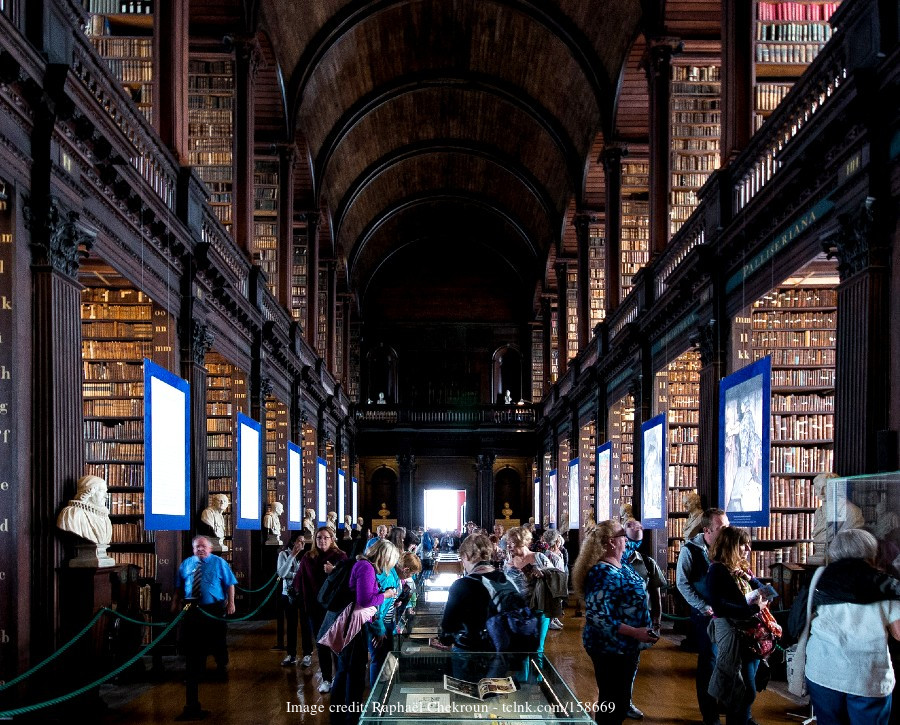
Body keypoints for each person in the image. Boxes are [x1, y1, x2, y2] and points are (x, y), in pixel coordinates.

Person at [805, 529, 900, 724]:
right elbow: (899, 633)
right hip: (867, 674)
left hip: (823, 669)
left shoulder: (819, 578)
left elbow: (800, 619)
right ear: (871, 551)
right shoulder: (887, 585)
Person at [572, 520, 657, 724]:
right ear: (611, 542)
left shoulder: (621, 561)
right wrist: (636, 633)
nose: (626, 540)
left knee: (620, 699)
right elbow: (599, 617)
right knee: (612, 702)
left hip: (626, 647)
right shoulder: (602, 573)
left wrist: (635, 528)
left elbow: (634, 541)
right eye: (622, 536)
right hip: (610, 649)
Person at [705, 526, 769, 725]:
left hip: (750, 634)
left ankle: (743, 718)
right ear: (731, 545)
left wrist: (749, 578)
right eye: (743, 545)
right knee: (741, 689)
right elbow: (719, 606)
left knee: (747, 687)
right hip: (734, 632)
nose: (748, 549)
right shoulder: (717, 570)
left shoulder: (740, 569)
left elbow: (762, 588)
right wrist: (752, 609)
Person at [329, 540, 398, 725]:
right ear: (384, 557)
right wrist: (386, 595)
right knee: (351, 673)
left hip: (353, 625)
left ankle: (344, 715)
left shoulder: (363, 565)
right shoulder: (366, 568)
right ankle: (349, 716)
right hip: (352, 628)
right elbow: (366, 600)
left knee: (347, 671)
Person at [172, 535, 237, 720]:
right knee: (192, 645)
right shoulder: (186, 564)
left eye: (203, 546)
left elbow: (230, 583)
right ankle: (195, 672)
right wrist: (175, 604)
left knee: (217, 639)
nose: (200, 549)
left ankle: (220, 666)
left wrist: (231, 603)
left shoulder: (219, 563)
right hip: (191, 608)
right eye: (196, 547)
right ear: (193, 548)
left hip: (213, 608)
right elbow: (179, 586)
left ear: (210, 548)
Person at [676, 507, 730, 725]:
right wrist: (701, 606)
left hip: (727, 613)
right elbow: (682, 582)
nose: (727, 531)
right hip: (705, 615)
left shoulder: (726, 547)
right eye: (722, 527)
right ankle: (710, 714)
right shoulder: (690, 550)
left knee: (729, 661)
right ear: (707, 529)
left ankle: (730, 706)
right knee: (709, 662)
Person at [622, 519, 666, 720]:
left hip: (640, 622)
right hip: (616, 623)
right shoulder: (610, 562)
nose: (633, 545)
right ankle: (611, 704)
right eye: (630, 538)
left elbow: (656, 595)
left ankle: (626, 702)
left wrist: (657, 622)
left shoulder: (647, 562)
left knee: (631, 664)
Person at [295, 526, 347, 690]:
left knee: (337, 643)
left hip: (334, 607)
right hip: (315, 607)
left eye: (326, 537)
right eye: (319, 538)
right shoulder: (308, 557)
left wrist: (335, 570)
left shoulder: (340, 556)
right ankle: (326, 679)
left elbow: (348, 579)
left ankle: (340, 677)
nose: (322, 541)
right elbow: (300, 579)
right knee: (322, 643)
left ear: (332, 539)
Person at [440, 534, 510, 651]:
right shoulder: (507, 580)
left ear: (466, 556)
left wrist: (445, 640)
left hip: (470, 651)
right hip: (501, 651)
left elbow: (448, 627)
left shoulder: (462, 585)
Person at [56, 474, 113, 548]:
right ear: (90, 492)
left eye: (106, 492)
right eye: (102, 491)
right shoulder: (72, 513)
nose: (106, 496)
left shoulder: (105, 518)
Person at [276, 534, 307, 665]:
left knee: (306, 625)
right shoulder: (283, 554)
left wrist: (293, 575)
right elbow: (282, 573)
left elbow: (306, 574)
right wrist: (292, 556)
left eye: (304, 542)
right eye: (299, 541)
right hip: (288, 594)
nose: (302, 544)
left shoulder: (306, 556)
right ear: (293, 542)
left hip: (303, 594)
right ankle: (291, 654)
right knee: (291, 625)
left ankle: (307, 654)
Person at [503, 525, 551, 604]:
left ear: (522, 542)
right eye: (507, 543)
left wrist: (543, 574)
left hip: (538, 606)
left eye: (512, 543)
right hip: (516, 609)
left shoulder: (539, 557)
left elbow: (555, 576)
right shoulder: (508, 563)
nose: (508, 546)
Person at [542, 528, 568, 629]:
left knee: (559, 599)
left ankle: (555, 617)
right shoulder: (549, 554)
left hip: (560, 577)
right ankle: (551, 620)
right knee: (553, 599)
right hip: (554, 579)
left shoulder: (559, 551)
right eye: (557, 537)